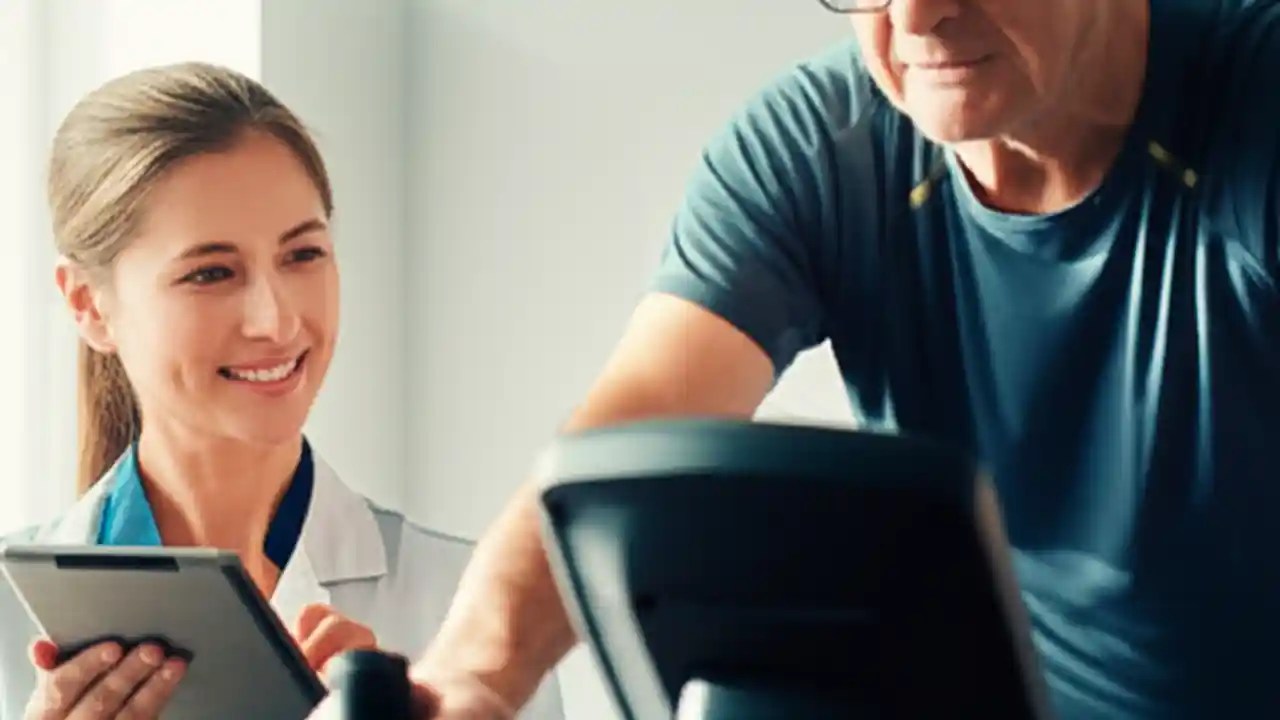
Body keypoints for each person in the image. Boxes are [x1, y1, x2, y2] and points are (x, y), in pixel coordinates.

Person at [394, 0, 1280, 718]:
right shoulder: (824, 147)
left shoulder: (1254, 101)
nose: (916, 17)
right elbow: (637, 424)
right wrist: (472, 679)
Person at [0, 63, 564, 720]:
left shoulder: (469, 611)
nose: (276, 321)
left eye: (302, 255)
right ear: (88, 304)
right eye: (211, 273)